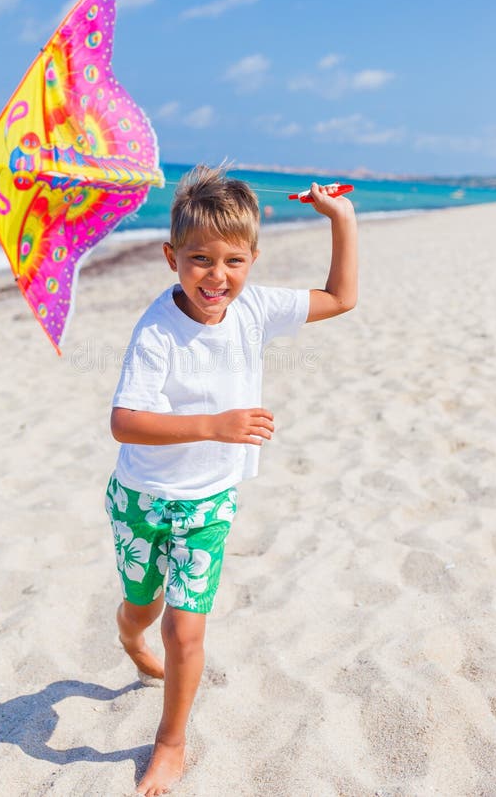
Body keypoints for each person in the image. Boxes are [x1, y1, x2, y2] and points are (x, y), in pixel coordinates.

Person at [106, 164, 358, 796]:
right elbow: (124, 422)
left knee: (185, 628)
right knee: (144, 608)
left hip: (209, 504)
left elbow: (341, 298)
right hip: (142, 498)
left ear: (252, 260)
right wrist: (213, 425)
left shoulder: (255, 308)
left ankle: (171, 742)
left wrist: (342, 220)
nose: (216, 277)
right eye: (199, 259)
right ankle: (129, 637)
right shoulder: (157, 330)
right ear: (171, 257)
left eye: (233, 261)